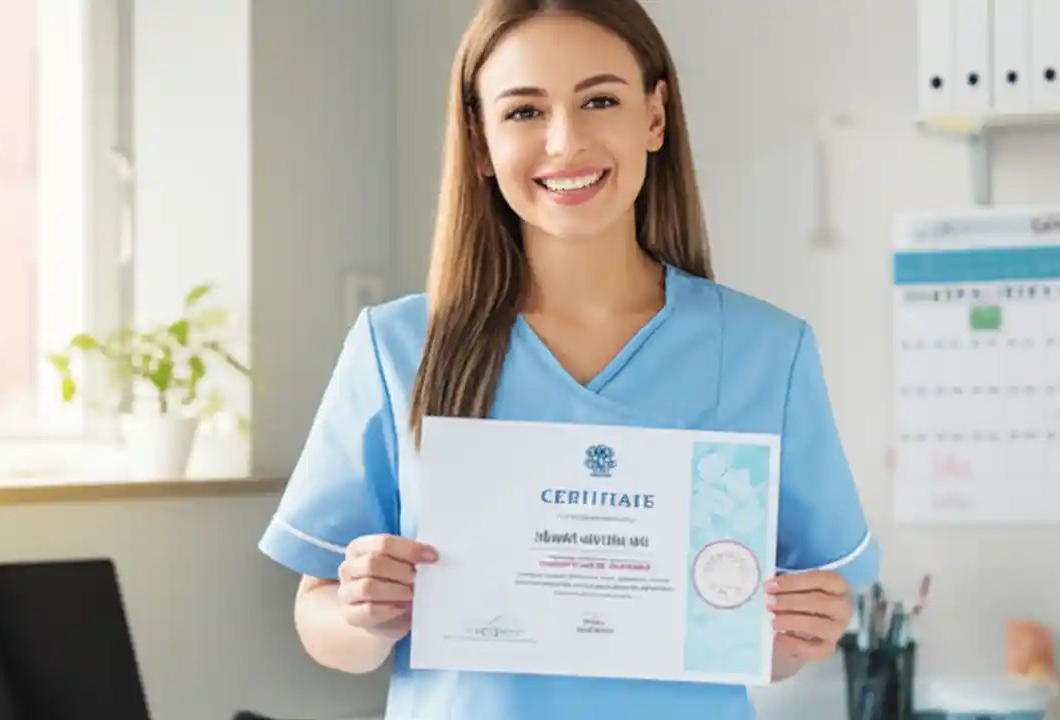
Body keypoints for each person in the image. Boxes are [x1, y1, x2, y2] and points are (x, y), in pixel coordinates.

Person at [257, 1, 879, 718]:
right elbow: (323, 621)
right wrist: (367, 612)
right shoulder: (396, 346)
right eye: (524, 112)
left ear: (654, 116)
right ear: (480, 141)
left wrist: (803, 634)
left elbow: (767, 637)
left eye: (600, 100)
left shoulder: (767, 353)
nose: (565, 141)